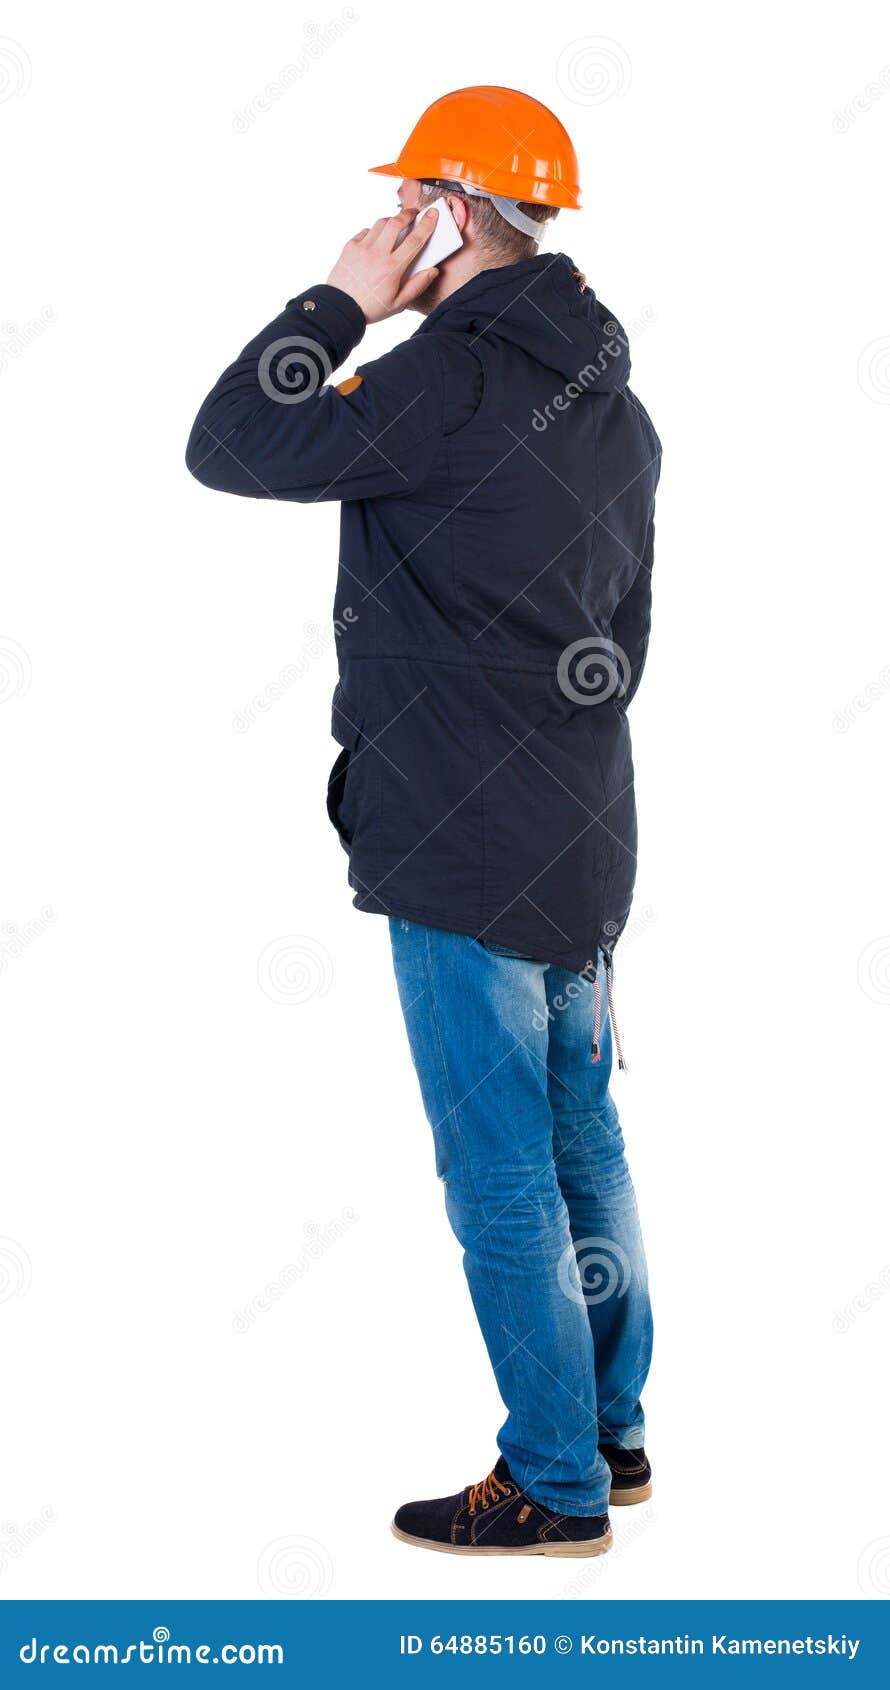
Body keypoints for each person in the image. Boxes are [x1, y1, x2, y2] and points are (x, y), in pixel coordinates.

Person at [186, 85, 661, 1558]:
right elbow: (622, 636)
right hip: (579, 834)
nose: (398, 225)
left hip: (461, 848)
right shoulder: (615, 406)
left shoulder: (442, 381)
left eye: (412, 206)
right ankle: (613, 1434)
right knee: (579, 1133)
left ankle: (553, 1481)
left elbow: (230, 441)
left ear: (451, 214)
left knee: (500, 1162)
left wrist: (338, 294)